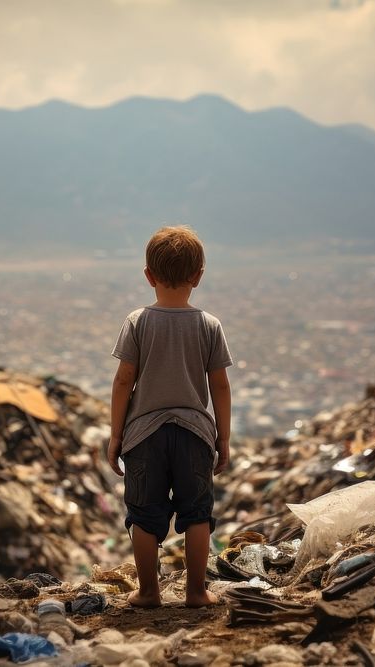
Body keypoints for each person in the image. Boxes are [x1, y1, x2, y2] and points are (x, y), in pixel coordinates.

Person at [107, 225, 232, 608]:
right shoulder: (209, 325)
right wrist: (222, 438)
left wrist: (116, 436)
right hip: (194, 433)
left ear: (148, 276)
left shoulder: (137, 322)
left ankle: (148, 592)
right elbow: (220, 387)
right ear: (198, 276)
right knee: (197, 515)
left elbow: (122, 381)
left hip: (144, 435)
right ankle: (196, 592)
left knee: (144, 516)